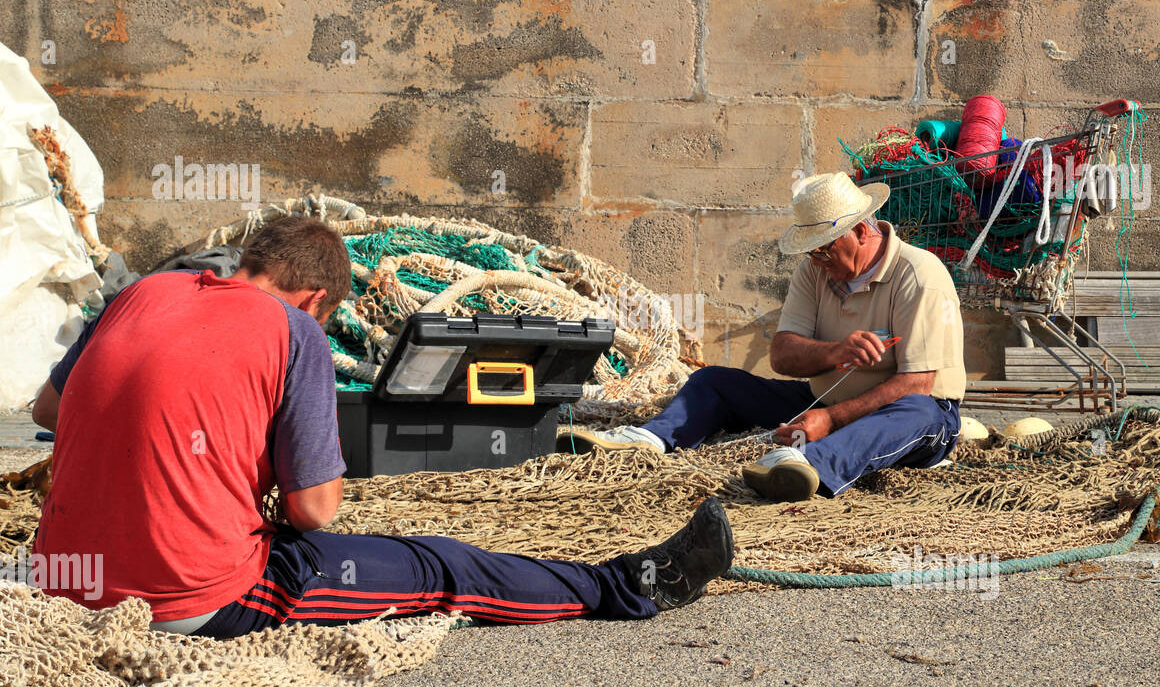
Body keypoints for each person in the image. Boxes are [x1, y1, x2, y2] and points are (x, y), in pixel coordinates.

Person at [31, 217, 732, 638]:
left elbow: (49, 412)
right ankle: (628, 586)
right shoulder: (290, 330)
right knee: (440, 567)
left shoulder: (141, 292)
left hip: (64, 584)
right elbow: (313, 509)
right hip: (194, 599)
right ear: (314, 300)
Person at [563, 171, 965, 501]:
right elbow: (783, 355)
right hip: (824, 399)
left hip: (916, 416)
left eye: (824, 250)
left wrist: (829, 418)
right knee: (714, 381)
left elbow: (916, 384)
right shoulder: (815, 271)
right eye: (812, 253)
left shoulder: (919, 275)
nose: (818, 261)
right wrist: (836, 352)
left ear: (861, 231)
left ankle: (807, 466)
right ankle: (650, 438)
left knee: (918, 412)